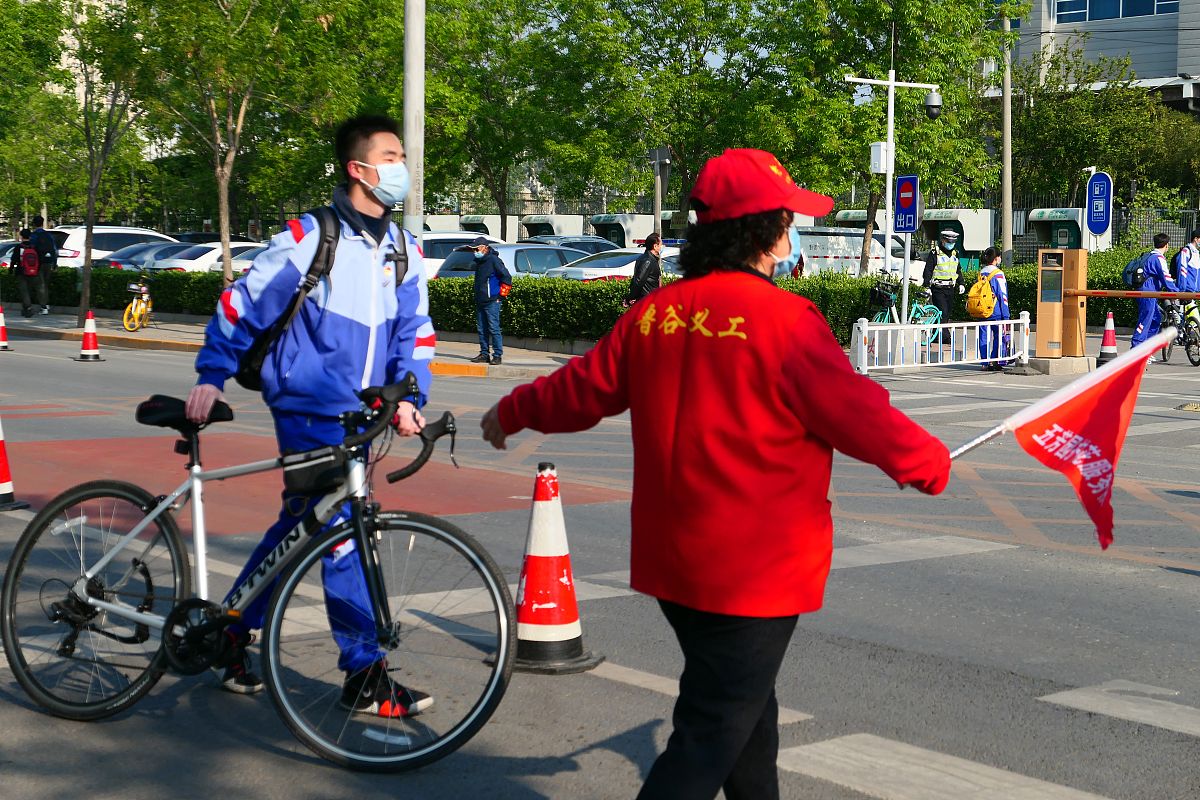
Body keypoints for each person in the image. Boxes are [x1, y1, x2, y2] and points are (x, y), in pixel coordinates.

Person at [479, 148, 951, 800]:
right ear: (762, 231)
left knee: (746, 716)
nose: (792, 233)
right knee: (710, 733)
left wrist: (511, 411)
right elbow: (856, 413)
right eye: (787, 220)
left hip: (676, 566)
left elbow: (579, 389)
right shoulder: (787, 322)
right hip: (754, 570)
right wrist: (927, 463)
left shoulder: (655, 315)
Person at [184, 114, 437, 717]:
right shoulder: (311, 236)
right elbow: (241, 303)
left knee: (302, 525)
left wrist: (410, 396)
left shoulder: (404, 248)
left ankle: (227, 632)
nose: (401, 168)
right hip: (307, 405)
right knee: (342, 531)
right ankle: (364, 671)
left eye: (402, 158)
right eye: (391, 157)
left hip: (363, 412)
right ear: (358, 169)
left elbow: (416, 331)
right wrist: (211, 374)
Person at [1132, 232, 1177, 360]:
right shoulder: (1158, 259)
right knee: (1145, 320)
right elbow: (1166, 278)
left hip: (1149, 293)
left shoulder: (1149, 256)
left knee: (1156, 319)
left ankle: (1146, 350)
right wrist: (1177, 292)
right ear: (1166, 245)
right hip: (1148, 293)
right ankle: (1136, 351)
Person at [468, 237, 511, 365]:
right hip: (480, 300)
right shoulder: (479, 261)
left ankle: (497, 355)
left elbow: (506, 277)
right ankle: (484, 354)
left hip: (492, 301)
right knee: (482, 329)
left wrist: (501, 295)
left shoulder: (493, 260)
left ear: (485, 248)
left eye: (477, 249)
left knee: (494, 328)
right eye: (473, 250)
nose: (475, 251)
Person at [976, 246, 1010, 371]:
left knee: (983, 336)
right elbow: (1003, 295)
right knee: (998, 336)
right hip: (996, 311)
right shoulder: (998, 273)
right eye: (999, 257)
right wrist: (1006, 315)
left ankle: (984, 362)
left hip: (982, 310)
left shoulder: (981, 272)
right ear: (996, 258)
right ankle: (994, 360)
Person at [921, 228, 963, 322]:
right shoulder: (935, 253)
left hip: (950, 288)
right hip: (938, 288)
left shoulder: (955, 253)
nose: (951, 244)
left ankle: (937, 332)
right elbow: (928, 270)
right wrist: (926, 285)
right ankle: (945, 332)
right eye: (949, 241)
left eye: (953, 242)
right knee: (942, 312)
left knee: (947, 314)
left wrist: (961, 283)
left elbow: (957, 270)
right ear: (943, 240)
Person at [28, 216, 57, 315]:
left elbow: (31, 249)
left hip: (39, 263)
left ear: (34, 224)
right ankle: (46, 303)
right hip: (49, 262)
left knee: (40, 285)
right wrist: (54, 263)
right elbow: (54, 250)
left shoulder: (34, 236)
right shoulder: (48, 235)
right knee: (45, 284)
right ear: (42, 223)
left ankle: (43, 307)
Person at [625, 231, 663, 305]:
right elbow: (639, 281)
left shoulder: (651, 259)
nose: (662, 246)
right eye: (661, 245)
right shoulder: (647, 261)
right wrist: (630, 297)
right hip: (647, 300)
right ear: (655, 246)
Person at [13, 229, 40, 318]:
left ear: (21, 236)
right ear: (30, 236)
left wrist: (11, 269)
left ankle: (28, 308)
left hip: (21, 271)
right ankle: (25, 309)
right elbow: (39, 259)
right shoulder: (34, 247)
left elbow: (14, 259)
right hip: (33, 272)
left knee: (24, 291)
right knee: (29, 290)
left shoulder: (19, 247)